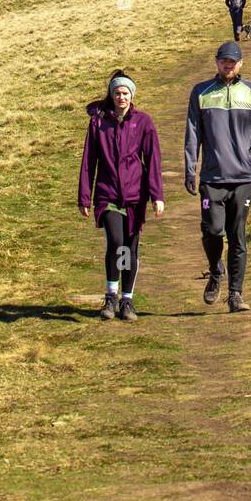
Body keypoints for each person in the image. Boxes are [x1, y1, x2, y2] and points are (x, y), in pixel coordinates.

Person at [184, 41, 251, 312]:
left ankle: (235, 294)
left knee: (237, 236)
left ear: (241, 63)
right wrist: (190, 169)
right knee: (212, 230)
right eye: (224, 61)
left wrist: (250, 156)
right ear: (217, 62)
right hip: (212, 178)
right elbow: (192, 134)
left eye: (233, 61)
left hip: (243, 178)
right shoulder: (201, 92)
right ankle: (214, 270)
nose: (228, 65)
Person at [78, 71, 164, 321]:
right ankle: (110, 296)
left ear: (132, 95)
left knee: (129, 248)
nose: (121, 97)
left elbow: (153, 161)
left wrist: (157, 195)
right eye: (117, 93)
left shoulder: (144, 122)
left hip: (135, 196)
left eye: (125, 93)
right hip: (108, 195)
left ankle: (127, 299)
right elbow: (88, 162)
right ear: (111, 95)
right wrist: (84, 197)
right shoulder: (98, 123)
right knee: (116, 242)